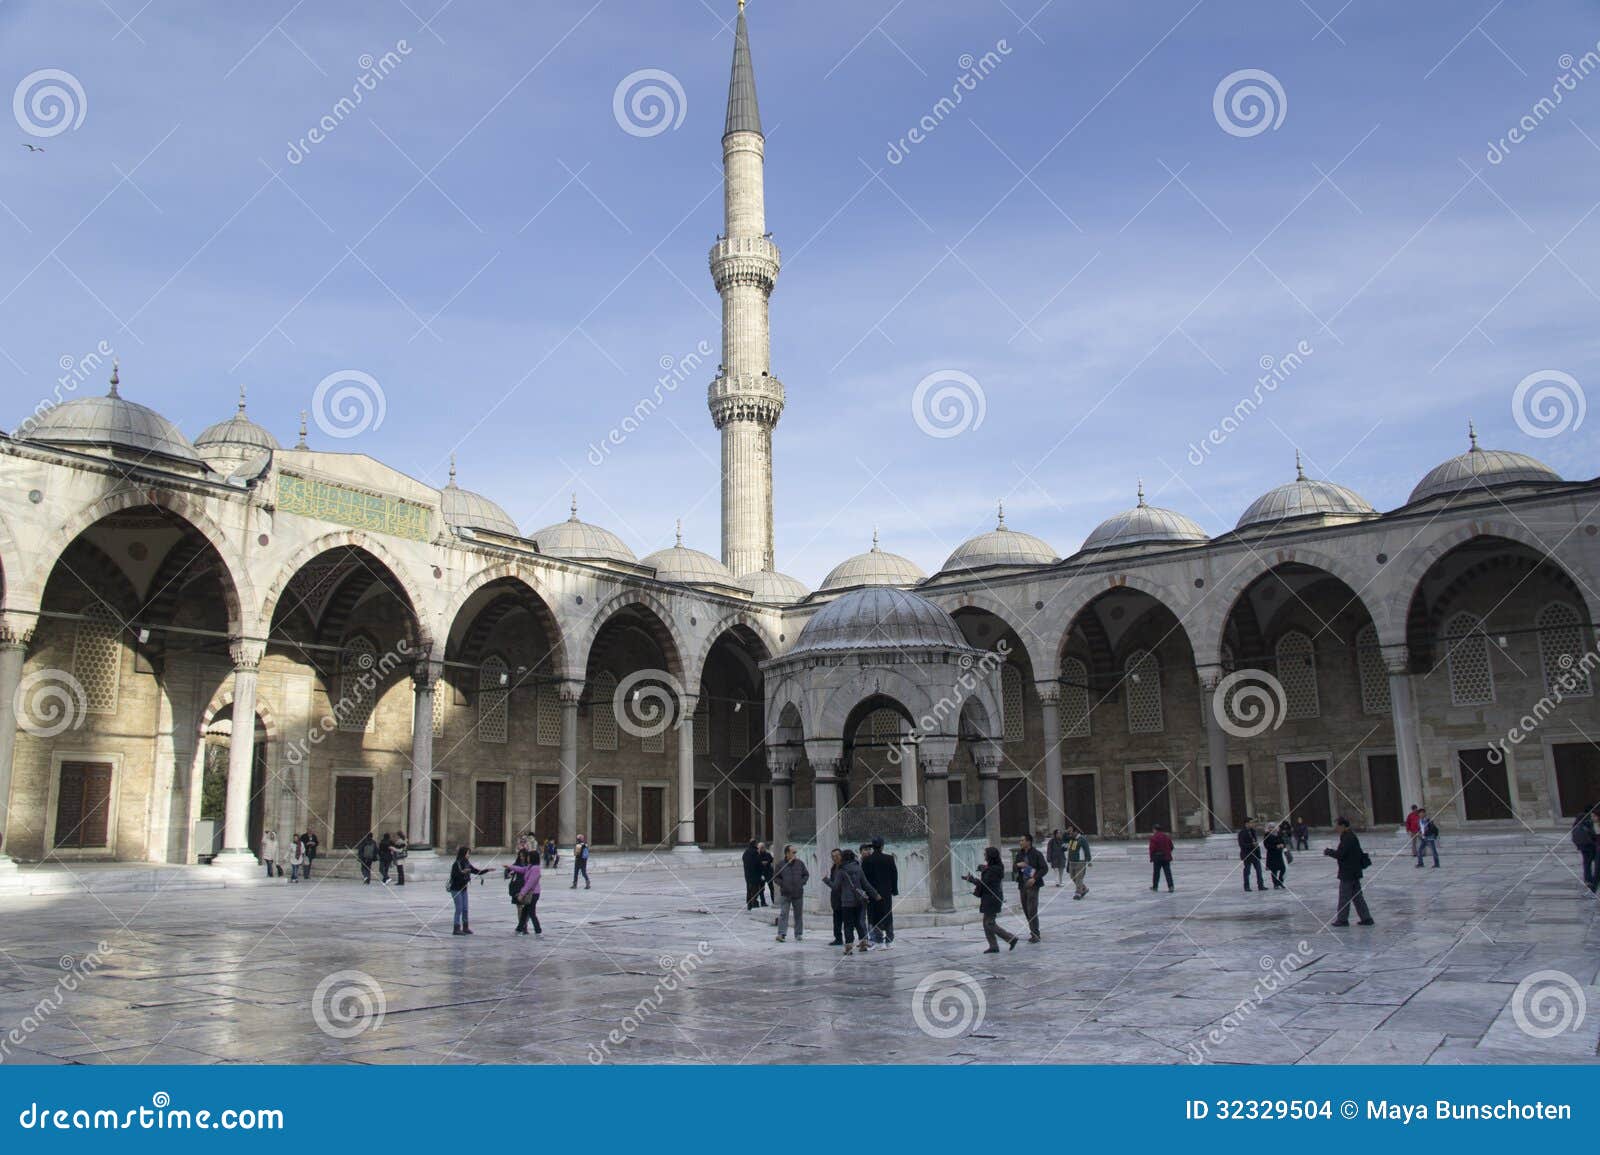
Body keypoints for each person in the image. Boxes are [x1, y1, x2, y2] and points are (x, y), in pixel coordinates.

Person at [962, 847, 1019, 953]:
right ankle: (993, 946)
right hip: (991, 897)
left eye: (986, 854)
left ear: (990, 856)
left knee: (989, 923)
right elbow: (988, 873)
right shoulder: (995, 867)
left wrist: (971, 879)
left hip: (991, 899)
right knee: (986, 922)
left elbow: (984, 884)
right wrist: (984, 868)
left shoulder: (993, 870)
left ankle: (1010, 938)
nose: (984, 856)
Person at [1324, 816, 1374, 926]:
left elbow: (1341, 854)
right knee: (1357, 896)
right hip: (1354, 871)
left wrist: (1329, 852)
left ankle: (1342, 919)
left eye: (1337, 826)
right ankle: (1366, 918)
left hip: (1348, 872)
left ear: (1342, 826)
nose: (1336, 828)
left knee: (1344, 896)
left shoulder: (1347, 837)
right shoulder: (1350, 836)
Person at [829, 848, 879, 955]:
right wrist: (875, 894)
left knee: (848, 925)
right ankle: (863, 944)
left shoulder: (841, 871)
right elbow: (866, 884)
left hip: (847, 902)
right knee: (859, 923)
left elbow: (835, 887)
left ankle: (849, 947)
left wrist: (826, 880)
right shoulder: (858, 868)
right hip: (859, 901)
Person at [861, 836, 898, 946]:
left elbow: (864, 879)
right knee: (887, 913)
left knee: (873, 914)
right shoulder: (889, 858)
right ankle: (889, 936)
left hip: (872, 893)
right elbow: (894, 875)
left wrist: (865, 892)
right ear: (882, 846)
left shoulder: (866, 860)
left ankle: (877, 937)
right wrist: (894, 890)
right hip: (886, 892)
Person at [1012, 834, 1048, 941]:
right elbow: (1014, 868)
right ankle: (1032, 931)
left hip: (1033, 885)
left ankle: (1035, 933)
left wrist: (1035, 878)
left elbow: (1044, 868)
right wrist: (1018, 865)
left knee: (1032, 909)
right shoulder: (1019, 854)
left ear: (1029, 842)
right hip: (1022, 885)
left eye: (1022, 840)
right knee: (1026, 909)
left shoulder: (1037, 854)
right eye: (1020, 840)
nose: (1020, 842)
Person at [447, 846, 490, 935]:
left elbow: (476, 871)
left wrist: (487, 870)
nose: (469, 855)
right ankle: (456, 928)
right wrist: (463, 872)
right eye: (468, 853)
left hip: (463, 889)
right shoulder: (456, 864)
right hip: (456, 889)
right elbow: (455, 877)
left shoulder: (467, 863)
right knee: (459, 908)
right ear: (463, 854)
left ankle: (465, 927)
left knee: (465, 908)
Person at [773, 844, 809, 942]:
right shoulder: (780, 864)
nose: (795, 854)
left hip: (798, 893)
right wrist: (783, 884)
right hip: (786, 893)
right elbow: (775, 877)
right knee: (783, 914)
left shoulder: (800, 863)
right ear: (787, 853)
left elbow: (806, 874)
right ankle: (781, 934)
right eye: (793, 852)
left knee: (798, 914)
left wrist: (801, 882)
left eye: (795, 852)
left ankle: (798, 934)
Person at [504, 850, 543, 935]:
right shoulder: (530, 867)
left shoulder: (535, 868)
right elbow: (521, 869)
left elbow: (530, 883)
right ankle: (519, 929)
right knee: (525, 912)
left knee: (531, 912)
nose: (527, 858)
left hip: (533, 893)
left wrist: (522, 893)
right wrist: (510, 867)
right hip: (530, 893)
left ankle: (538, 930)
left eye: (528, 857)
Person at [1572, 805, 1598, 893]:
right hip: (1591, 846)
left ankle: (1588, 880)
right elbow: (1593, 834)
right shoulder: (1589, 820)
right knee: (1595, 864)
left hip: (1583, 846)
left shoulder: (1579, 818)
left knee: (1586, 863)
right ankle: (1592, 882)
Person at [1064, 823, 1092, 899]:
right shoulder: (1071, 839)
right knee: (1073, 877)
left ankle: (1078, 893)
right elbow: (1063, 839)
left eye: (1071, 832)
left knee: (1079, 877)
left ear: (1076, 832)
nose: (1070, 833)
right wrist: (1066, 832)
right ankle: (1084, 888)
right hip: (1071, 862)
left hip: (1080, 861)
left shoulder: (1082, 839)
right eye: (1069, 832)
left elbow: (1087, 850)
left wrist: (1089, 860)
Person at [1237, 817, 1265, 891]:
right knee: (1247, 871)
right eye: (1251, 822)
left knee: (1259, 870)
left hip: (1255, 854)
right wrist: (1252, 845)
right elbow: (1242, 845)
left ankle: (1261, 885)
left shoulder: (1253, 831)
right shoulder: (1242, 833)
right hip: (1247, 855)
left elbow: (1255, 842)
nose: (1253, 824)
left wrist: (1257, 849)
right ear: (1247, 823)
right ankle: (1247, 886)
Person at [824, 848, 845, 945]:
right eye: (833, 856)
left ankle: (851, 939)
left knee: (848, 921)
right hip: (836, 899)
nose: (835, 858)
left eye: (837, 856)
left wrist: (826, 880)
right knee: (836, 921)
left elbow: (836, 886)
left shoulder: (844, 868)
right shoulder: (833, 868)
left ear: (841, 856)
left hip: (844, 898)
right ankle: (838, 938)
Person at [1148, 824, 1174, 891]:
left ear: (1155, 830)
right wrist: (1168, 852)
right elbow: (1171, 846)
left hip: (1157, 857)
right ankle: (1171, 886)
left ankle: (1155, 887)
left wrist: (1151, 857)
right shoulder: (1166, 837)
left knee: (1156, 873)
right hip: (1166, 857)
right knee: (1168, 872)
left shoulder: (1153, 838)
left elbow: (1152, 849)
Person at [1263, 821, 1289, 889]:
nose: (1272, 829)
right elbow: (1266, 846)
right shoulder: (1267, 835)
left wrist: (1282, 845)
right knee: (1274, 871)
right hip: (1272, 855)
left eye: (1273, 827)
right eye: (1270, 827)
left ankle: (1280, 882)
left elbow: (1283, 842)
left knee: (1283, 869)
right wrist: (1275, 846)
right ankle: (1275, 884)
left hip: (1279, 855)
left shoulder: (1278, 834)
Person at [741, 840, 764, 910]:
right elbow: (758, 863)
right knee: (755, 889)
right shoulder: (755, 852)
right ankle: (754, 903)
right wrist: (761, 870)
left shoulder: (746, 852)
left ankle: (749, 904)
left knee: (749, 889)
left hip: (747, 875)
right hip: (755, 875)